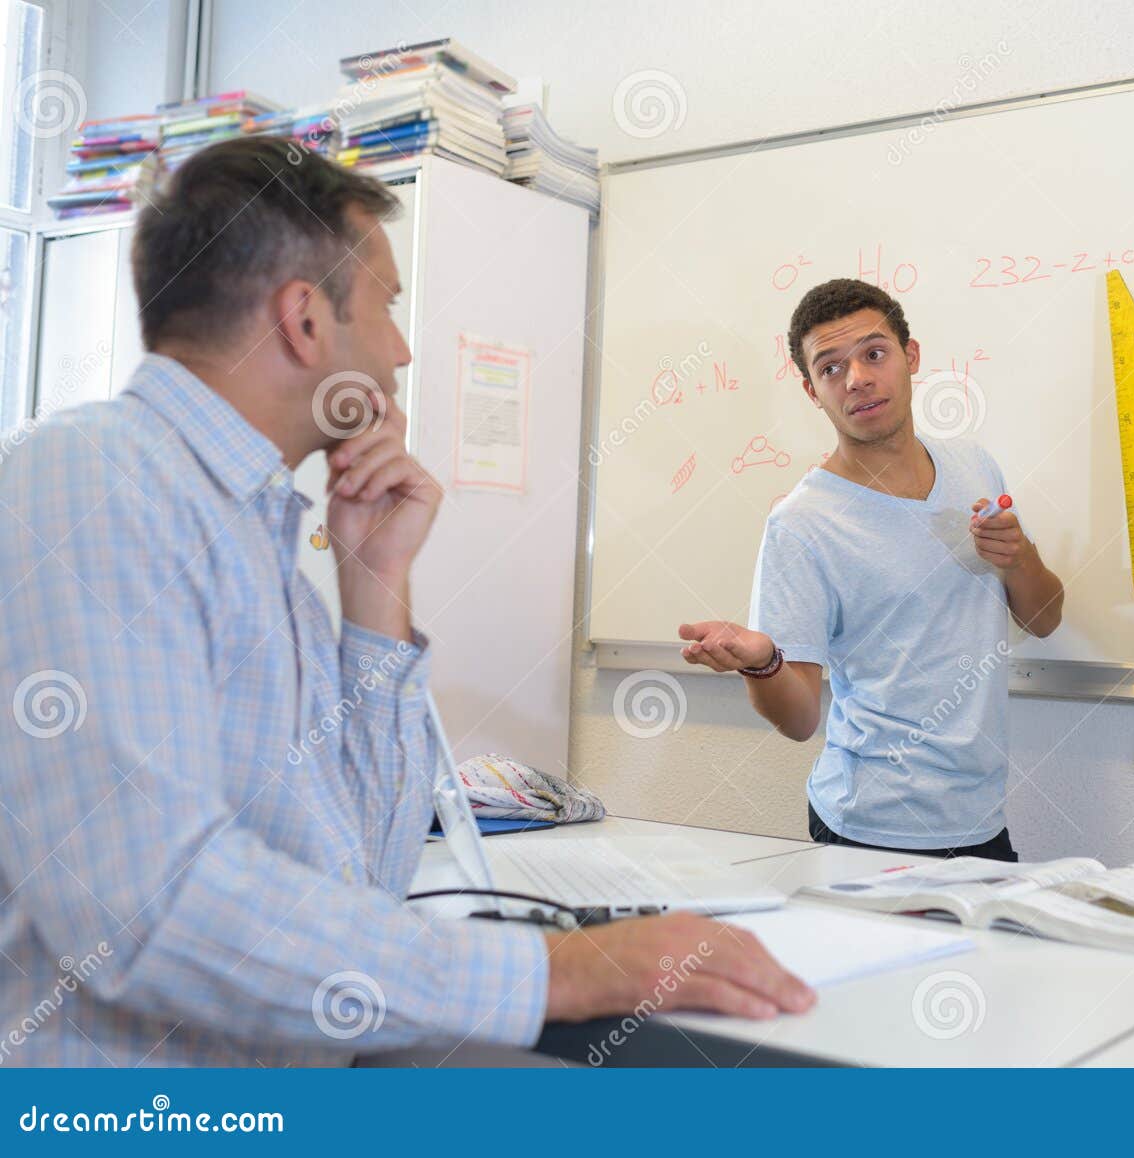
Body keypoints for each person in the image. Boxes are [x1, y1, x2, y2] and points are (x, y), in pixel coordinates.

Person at [0, 136, 811, 1066]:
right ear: (305, 321)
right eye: (386, 304)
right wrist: (559, 971)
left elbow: (363, 873)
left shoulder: (250, 528)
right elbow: (147, 907)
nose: (403, 349)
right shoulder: (93, 478)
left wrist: (374, 582)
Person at [680, 279, 1064, 860]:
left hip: (980, 819)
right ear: (812, 390)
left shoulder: (974, 466)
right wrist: (763, 664)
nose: (856, 378)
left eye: (874, 354)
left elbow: (1045, 620)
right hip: (868, 825)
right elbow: (800, 721)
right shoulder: (802, 524)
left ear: (911, 356)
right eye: (831, 368)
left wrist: (1021, 557)